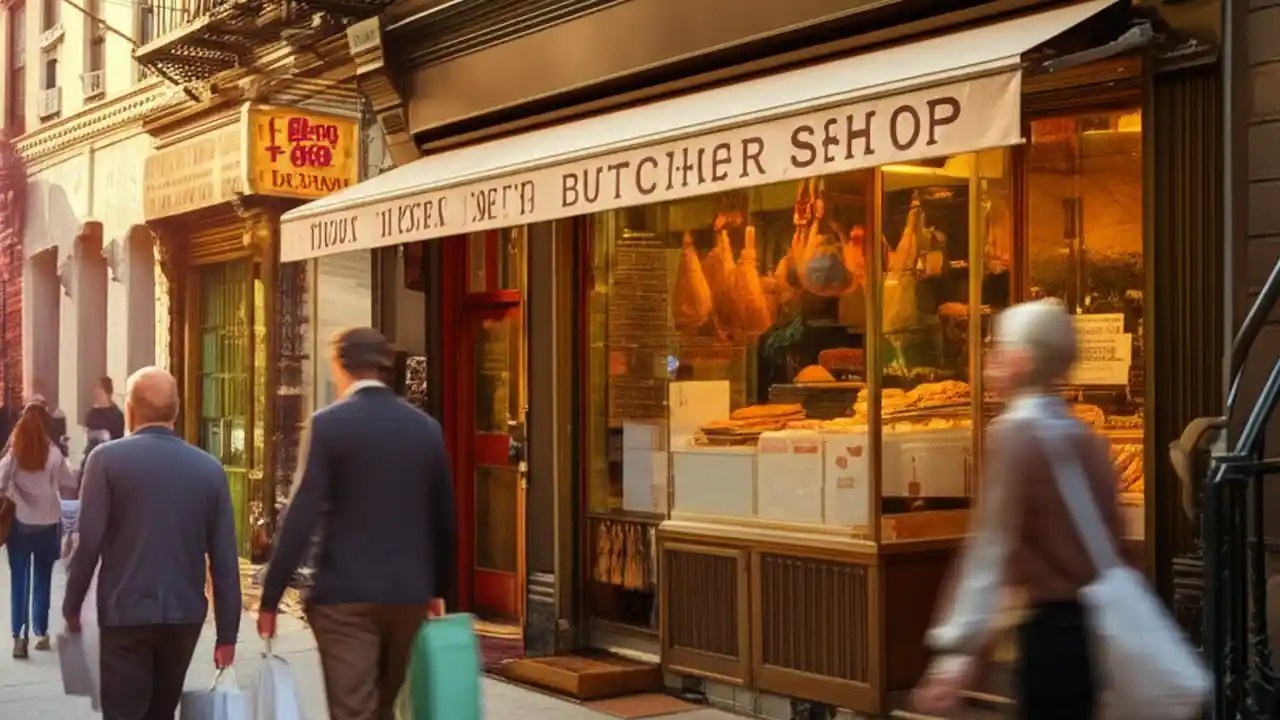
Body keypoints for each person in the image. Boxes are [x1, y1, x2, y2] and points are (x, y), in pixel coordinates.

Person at [911, 299, 1119, 720]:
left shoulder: (1014, 436)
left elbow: (991, 548)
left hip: (1045, 636)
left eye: (998, 351)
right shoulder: (1088, 440)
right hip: (1092, 632)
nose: (990, 363)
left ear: (1021, 360)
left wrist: (958, 652)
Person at [259, 327, 456, 720]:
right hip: (407, 594)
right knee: (382, 705)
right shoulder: (426, 429)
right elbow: (444, 518)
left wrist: (271, 596)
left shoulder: (329, 424)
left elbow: (302, 513)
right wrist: (437, 589)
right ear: (384, 368)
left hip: (343, 598)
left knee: (354, 710)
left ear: (339, 365)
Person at [63, 367, 241, 720]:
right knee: (162, 710)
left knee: (123, 712)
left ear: (129, 410)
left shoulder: (106, 460)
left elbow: (90, 542)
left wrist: (72, 605)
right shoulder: (208, 469)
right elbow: (224, 560)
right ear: (175, 411)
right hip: (183, 615)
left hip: (125, 611)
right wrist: (227, 635)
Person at [1, 403, 76, 658]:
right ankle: (41, 632)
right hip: (47, 523)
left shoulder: (15, 452)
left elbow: (1, 479)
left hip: (20, 523)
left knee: (19, 580)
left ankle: (19, 637)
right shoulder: (53, 453)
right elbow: (69, 482)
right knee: (43, 577)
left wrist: (11, 490)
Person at [83, 375, 125, 461]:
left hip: (110, 458)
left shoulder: (116, 415)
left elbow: (118, 440)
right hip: (91, 457)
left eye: (99, 387)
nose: (95, 391)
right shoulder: (92, 413)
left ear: (106, 392)